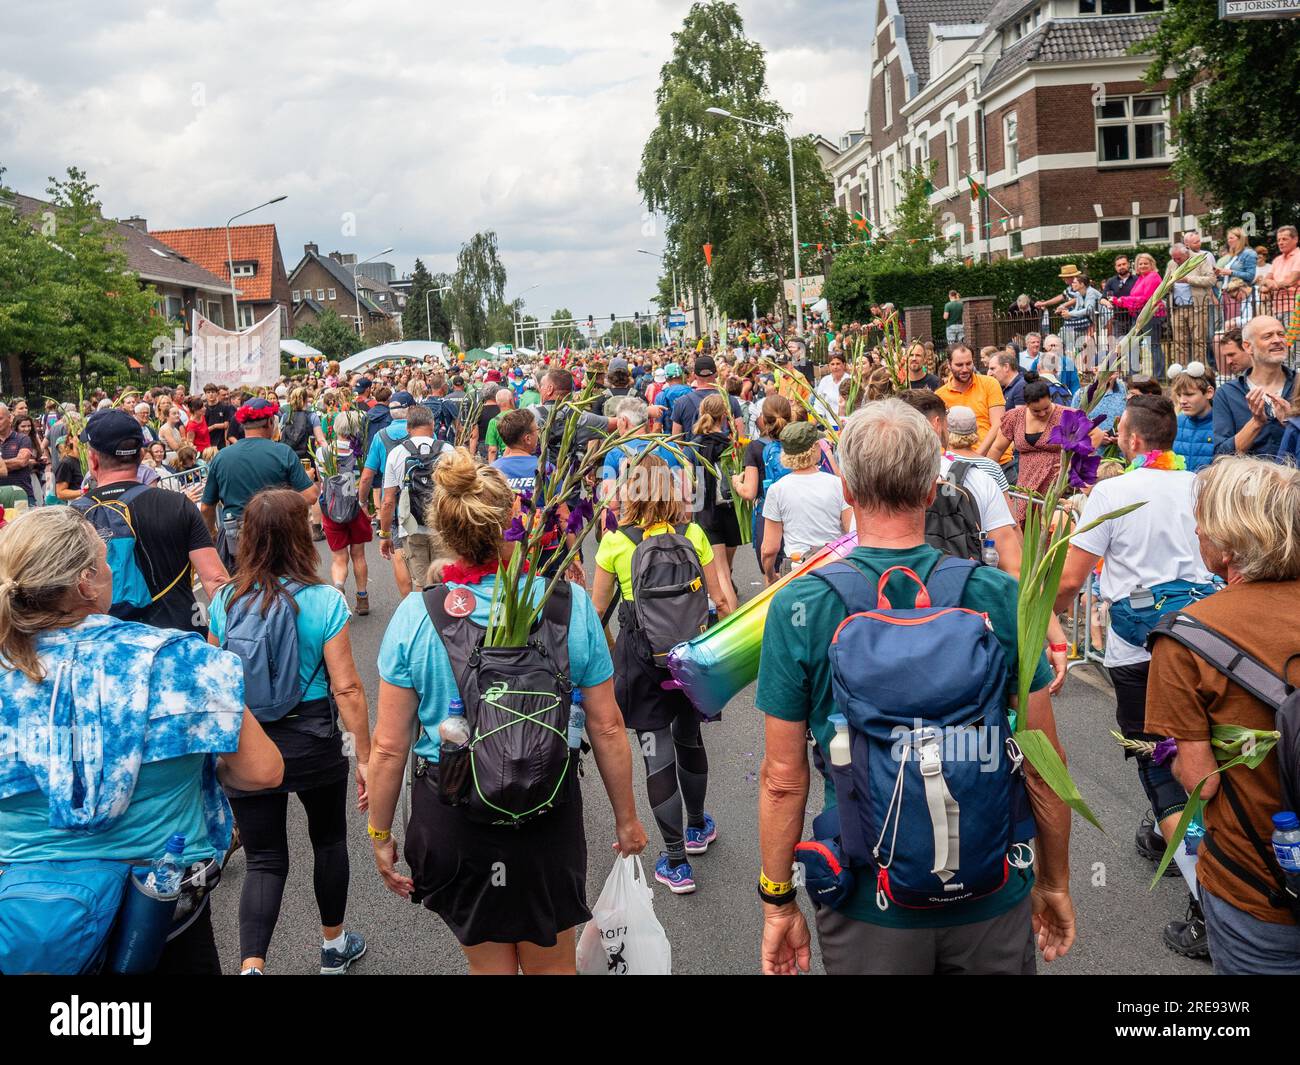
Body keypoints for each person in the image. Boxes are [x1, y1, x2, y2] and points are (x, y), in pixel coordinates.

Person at [755, 399, 1074, 975]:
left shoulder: (802, 604)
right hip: (990, 886)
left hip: (868, 893)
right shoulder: (996, 596)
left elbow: (782, 779)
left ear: (846, 490)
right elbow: (1043, 761)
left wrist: (778, 899)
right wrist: (1053, 879)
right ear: (933, 491)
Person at [367, 448, 647, 974]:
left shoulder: (415, 615)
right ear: (513, 524)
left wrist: (380, 835)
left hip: (454, 810)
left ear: (444, 530)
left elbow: (387, 747)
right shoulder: (566, 604)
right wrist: (626, 819)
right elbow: (607, 725)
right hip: (545, 806)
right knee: (553, 960)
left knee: (488, 965)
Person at [0, 506, 283, 974]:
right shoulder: (179, 660)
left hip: (28, 920)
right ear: (86, 582)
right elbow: (262, 770)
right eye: (107, 559)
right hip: (160, 907)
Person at [1055, 394, 1216, 957]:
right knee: (1201, 753)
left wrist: (1044, 617)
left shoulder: (1112, 492)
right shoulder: (1199, 484)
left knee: (1163, 770)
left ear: (1131, 440)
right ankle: (1167, 837)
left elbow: (1071, 579)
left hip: (1136, 650)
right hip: (1202, 643)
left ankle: (1207, 907)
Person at [209, 489, 372, 976]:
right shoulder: (323, 601)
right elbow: (346, 689)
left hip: (249, 743)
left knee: (264, 858)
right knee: (328, 841)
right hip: (314, 741)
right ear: (303, 535)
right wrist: (364, 753)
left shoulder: (224, 600)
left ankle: (252, 966)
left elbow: (214, 683)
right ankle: (333, 947)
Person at [1146, 457, 1300, 973]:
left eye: (1204, 520)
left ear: (1231, 541)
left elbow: (1201, 783)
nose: (1195, 529)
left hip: (1258, 883)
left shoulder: (1188, 635)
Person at [591, 455, 734, 894]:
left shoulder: (614, 543)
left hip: (640, 661)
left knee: (657, 753)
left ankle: (675, 862)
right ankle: (696, 828)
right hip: (689, 658)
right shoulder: (693, 534)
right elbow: (721, 600)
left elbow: (596, 611)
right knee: (690, 737)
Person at [74, 409, 228, 635]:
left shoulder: (73, 516)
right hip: (179, 638)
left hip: (105, 646)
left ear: (93, 459)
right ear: (141, 455)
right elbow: (215, 581)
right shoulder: (178, 505)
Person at [201, 399, 319, 570]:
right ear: (270, 422)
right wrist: (304, 480)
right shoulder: (282, 452)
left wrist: (212, 533)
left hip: (237, 539)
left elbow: (206, 508)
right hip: (279, 537)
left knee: (241, 591)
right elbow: (311, 496)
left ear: (243, 425)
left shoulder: (221, 457)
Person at [760, 422, 854, 583]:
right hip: (833, 565)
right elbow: (852, 532)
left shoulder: (777, 490)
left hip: (797, 568)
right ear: (815, 447)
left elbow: (769, 549)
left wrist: (770, 576)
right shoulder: (837, 484)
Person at [380, 403, 454, 596]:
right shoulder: (448, 450)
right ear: (432, 424)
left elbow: (388, 501)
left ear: (408, 427)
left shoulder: (396, 454)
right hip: (443, 526)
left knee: (422, 583)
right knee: (447, 579)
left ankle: (425, 620)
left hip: (411, 527)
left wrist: (385, 534)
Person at [1212, 315, 1295, 458]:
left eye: (1281, 334)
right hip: (1250, 479)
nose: (1277, 340)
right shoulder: (1227, 394)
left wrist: (1292, 424)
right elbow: (1221, 455)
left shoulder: (1298, 385)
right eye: (1267, 336)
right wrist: (1256, 423)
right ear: (1248, 346)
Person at [318, 409, 373, 615]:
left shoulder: (324, 451)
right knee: (358, 554)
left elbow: (321, 479)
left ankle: (339, 589)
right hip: (356, 507)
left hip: (332, 508)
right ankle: (362, 598)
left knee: (339, 557)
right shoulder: (360, 453)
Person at [688, 393, 743, 582]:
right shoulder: (733, 445)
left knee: (720, 572)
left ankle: (727, 604)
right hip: (731, 508)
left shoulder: (693, 445)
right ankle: (729, 587)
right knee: (726, 568)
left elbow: (689, 481)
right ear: (725, 416)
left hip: (706, 509)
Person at [936, 343, 1009, 470]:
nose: (965, 369)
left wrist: (978, 458)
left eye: (969, 364)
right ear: (949, 364)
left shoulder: (989, 384)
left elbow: (998, 423)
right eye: (959, 365)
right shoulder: (940, 395)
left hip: (997, 460)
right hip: (957, 466)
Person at [1108, 253, 1167, 378]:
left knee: (1153, 345)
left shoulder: (1154, 277)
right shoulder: (1141, 278)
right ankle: (1133, 374)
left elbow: (1146, 298)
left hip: (1152, 315)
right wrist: (1124, 301)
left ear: (1152, 264)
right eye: (1140, 264)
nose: (1143, 266)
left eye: (1146, 263)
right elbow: (1135, 297)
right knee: (1132, 344)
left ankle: (1160, 376)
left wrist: (1122, 300)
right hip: (1140, 315)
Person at [670, 355, 742, 438]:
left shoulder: (681, 402)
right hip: (725, 449)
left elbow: (676, 439)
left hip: (692, 449)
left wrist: (688, 450)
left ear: (694, 375)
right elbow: (740, 437)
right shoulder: (730, 400)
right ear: (716, 374)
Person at [1171, 365, 1216, 471]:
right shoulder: (1175, 423)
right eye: (1179, 395)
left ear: (1209, 392)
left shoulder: (1223, 424)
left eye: (1189, 394)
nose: (1182, 401)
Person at [0, 403, 37, 505]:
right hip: (2, 495)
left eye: (0, 419)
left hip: (22, 494)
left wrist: (2, 465)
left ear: (10, 418)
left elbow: (21, 462)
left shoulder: (22, 438)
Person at [1102, 255, 1138, 341]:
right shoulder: (1111, 281)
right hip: (1118, 319)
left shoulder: (1137, 279)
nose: (1121, 267)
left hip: (1135, 318)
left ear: (1128, 265)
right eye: (1119, 265)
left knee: (1134, 345)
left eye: (1123, 264)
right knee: (1120, 346)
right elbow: (1102, 299)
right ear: (1115, 268)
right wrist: (1108, 303)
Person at [203, 383, 236, 451]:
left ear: (217, 393)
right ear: (205, 394)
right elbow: (202, 427)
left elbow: (226, 425)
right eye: (208, 392)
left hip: (221, 442)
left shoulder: (224, 407)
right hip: (207, 441)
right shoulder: (203, 408)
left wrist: (213, 426)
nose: (211, 394)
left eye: (213, 392)